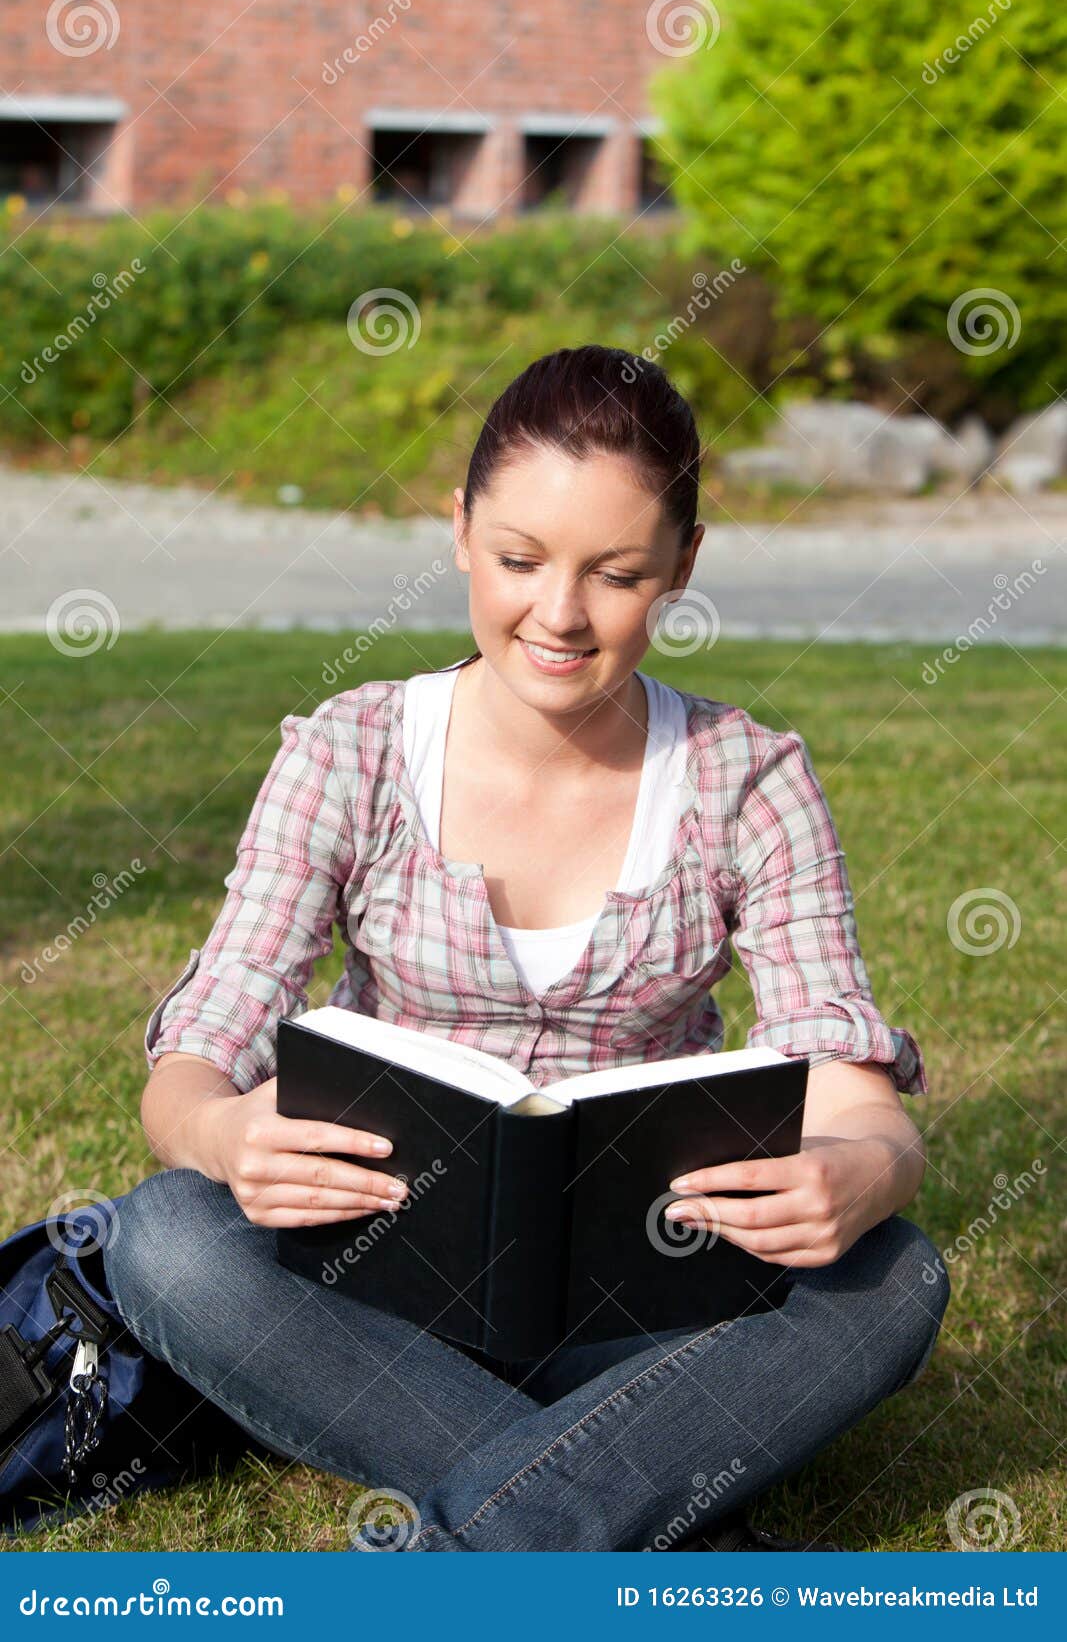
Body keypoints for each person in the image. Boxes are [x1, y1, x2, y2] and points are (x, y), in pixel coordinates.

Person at [104, 345, 950, 1553]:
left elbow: (852, 1090)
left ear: (682, 567)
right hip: (383, 1277)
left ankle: (494, 1541)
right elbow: (199, 1045)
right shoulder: (349, 750)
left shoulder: (746, 777)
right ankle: (633, 1488)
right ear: (457, 531)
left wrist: (867, 1173)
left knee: (893, 1279)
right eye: (516, 560)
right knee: (171, 1242)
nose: (556, 616)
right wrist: (220, 1130)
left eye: (613, 575)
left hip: (651, 1291)